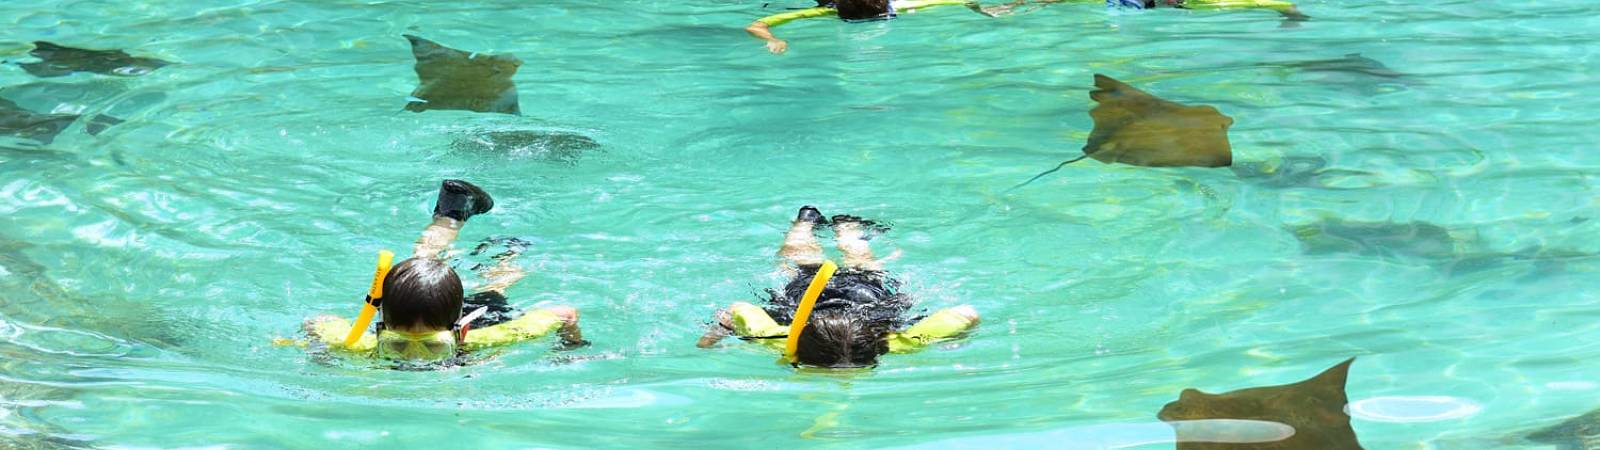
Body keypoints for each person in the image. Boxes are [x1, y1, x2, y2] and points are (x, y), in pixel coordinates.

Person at [302, 180, 584, 365]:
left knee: (495, 287)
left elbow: (565, 314)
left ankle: (508, 250)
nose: (415, 359)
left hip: (480, 317)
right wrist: (321, 355)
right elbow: (316, 323)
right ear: (380, 329)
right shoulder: (360, 343)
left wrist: (570, 347)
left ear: (460, 334)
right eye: (397, 346)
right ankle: (452, 213)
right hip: (437, 316)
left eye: (434, 347)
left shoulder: (488, 336)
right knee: (420, 266)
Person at [697, 206, 979, 368]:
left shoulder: (898, 343)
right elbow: (738, 309)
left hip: (864, 295)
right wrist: (716, 334)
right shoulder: (776, 339)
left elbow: (968, 314)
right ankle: (815, 224)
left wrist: (715, 334)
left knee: (864, 267)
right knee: (802, 261)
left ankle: (839, 227)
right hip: (810, 296)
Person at [746, 0, 999, 54]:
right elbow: (757, 25)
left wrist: (983, 10)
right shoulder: (828, 10)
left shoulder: (902, 5)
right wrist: (772, 39)